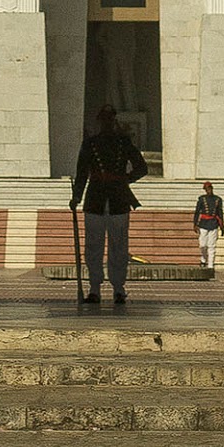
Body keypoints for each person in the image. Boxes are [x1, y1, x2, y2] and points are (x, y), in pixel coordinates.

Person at [70, 104, 148, 304]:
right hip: (97, 199)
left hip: (117, 200)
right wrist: (77, 197)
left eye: (108, 119)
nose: (106, 123)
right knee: (94, 246)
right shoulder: (91, 144)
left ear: (113, 121)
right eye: (104, 119)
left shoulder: (123, 142)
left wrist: (124, 180)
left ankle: (118, 288)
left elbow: (142, 167)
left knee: (119, 247)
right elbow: (81, 174)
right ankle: (95, 287)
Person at [193, 181, 224, 273]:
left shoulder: (218, 200)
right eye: (207, 189)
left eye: (210, 188)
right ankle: (203, 258)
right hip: (203, 223)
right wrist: (195, 224)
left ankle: (211, 265)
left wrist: (222, 225)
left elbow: (220, 213)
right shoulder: (201, 199)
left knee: (212, 246)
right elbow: (197, 212)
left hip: (213, 223)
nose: (208, 191)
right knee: (202, 244)